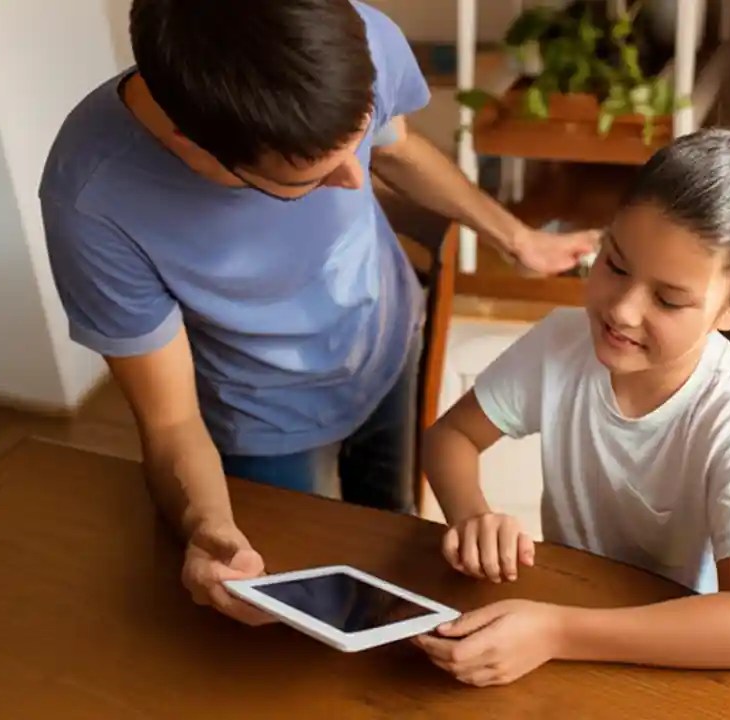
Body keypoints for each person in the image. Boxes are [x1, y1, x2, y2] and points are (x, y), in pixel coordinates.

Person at [38, 0, 598, 627]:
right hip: (262, 418)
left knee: (392, 530)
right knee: (287, 594)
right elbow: (170, 423)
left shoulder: (353, 40)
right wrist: (210, 530)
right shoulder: (93, 200)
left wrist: (514, 236)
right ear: (190, 146)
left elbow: (398, 152)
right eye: (310, 177)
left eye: (353, 146)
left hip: (388, 340)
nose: (357, 183)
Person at [414, 123, 730, 685]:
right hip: (573, 623)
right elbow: (449, 439)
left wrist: (557, 632)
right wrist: (473, 517)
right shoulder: (562, 343)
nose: (624, 311)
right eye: (615, 265)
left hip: (691, 663)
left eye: (669, 298)